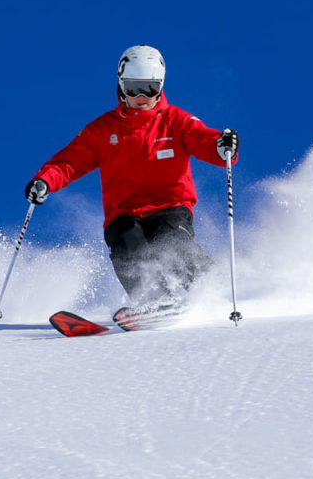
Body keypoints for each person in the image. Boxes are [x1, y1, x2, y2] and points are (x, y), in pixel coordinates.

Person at [25, 45, 239, 312]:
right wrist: (44, 180)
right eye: (132, 87)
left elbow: (204, 139)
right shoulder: (103, 130)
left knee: (173, 243)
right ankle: (155, 302)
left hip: (170, 207)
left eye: (149, 88)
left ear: (160, 86)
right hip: (124, 214)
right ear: (121, 84)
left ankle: (212, 289)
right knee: (128, 247)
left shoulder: (176, 121)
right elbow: (68, 161)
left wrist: (222, 147)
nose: (140, 96)